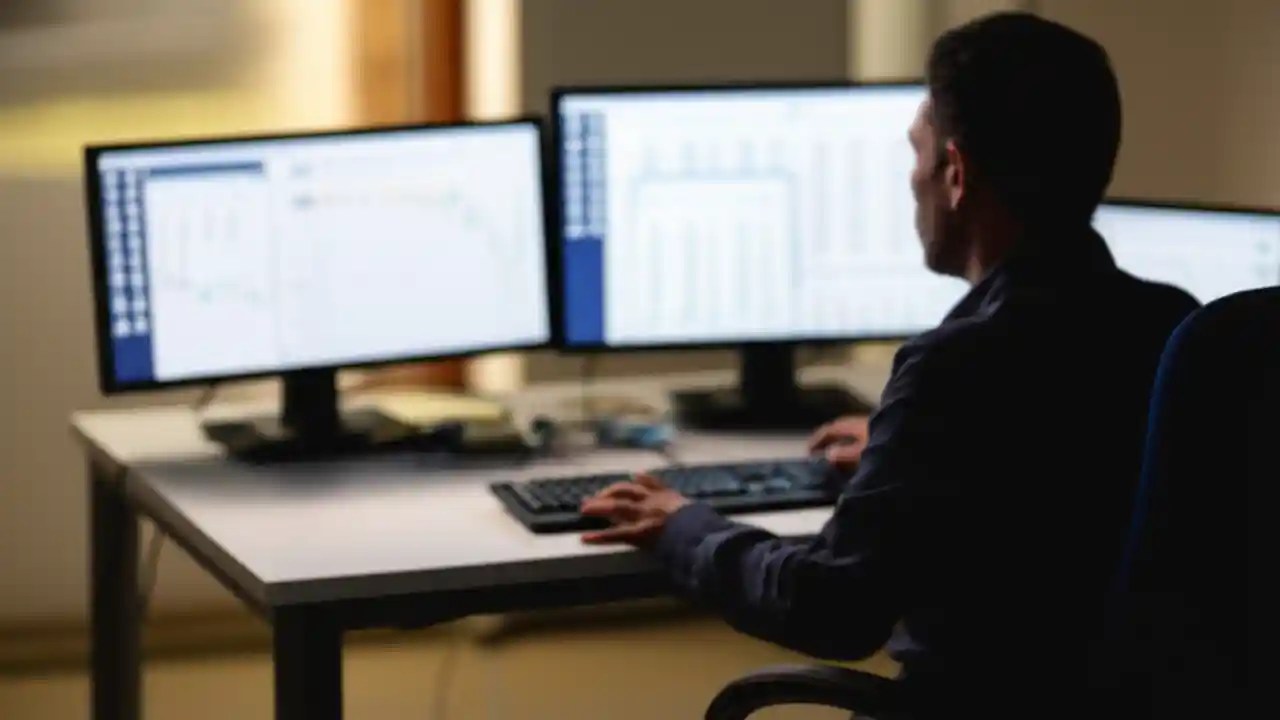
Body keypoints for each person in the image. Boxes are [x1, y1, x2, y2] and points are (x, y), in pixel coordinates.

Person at [578, 11, 1201, 716]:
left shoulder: (956, 364)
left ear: (956, 173)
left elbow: (829, 608)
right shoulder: (1176, 326)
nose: (913, 180)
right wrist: (902, 457)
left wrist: (683, 525)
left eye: (918, 153)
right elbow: (1056, 477)